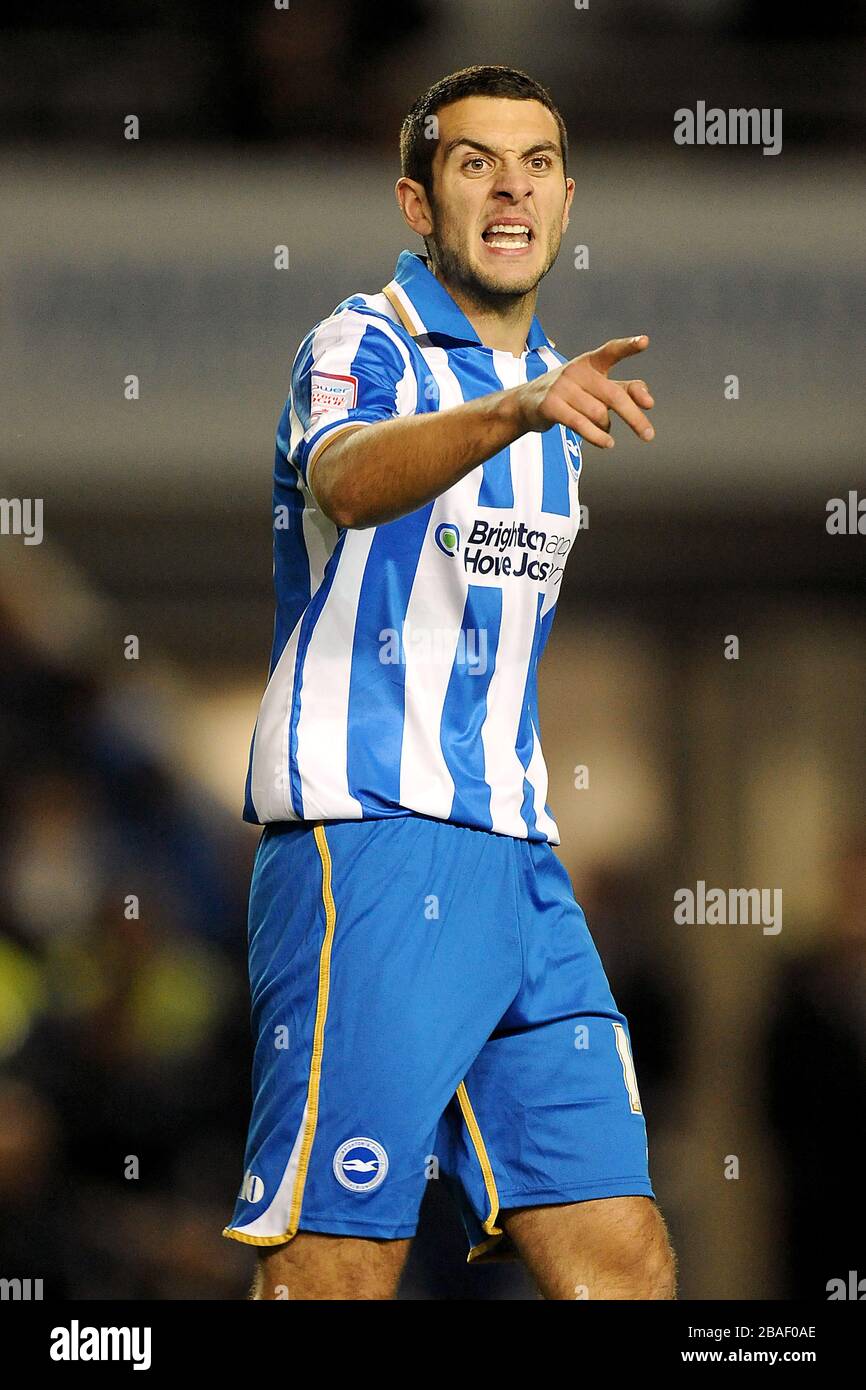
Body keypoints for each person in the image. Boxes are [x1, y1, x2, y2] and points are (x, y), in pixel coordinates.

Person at [223, 64, 676, 1301]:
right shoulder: (361, 341)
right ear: (419, 204)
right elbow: (346, 477)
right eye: (473, 162)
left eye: (533, 163)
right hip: (369, 846)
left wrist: (534, 398)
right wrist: (516, 403)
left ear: (566, 200)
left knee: (621, 1257)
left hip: (520, 864)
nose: (509, 185)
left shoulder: (555, 401)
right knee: (337, 1264)